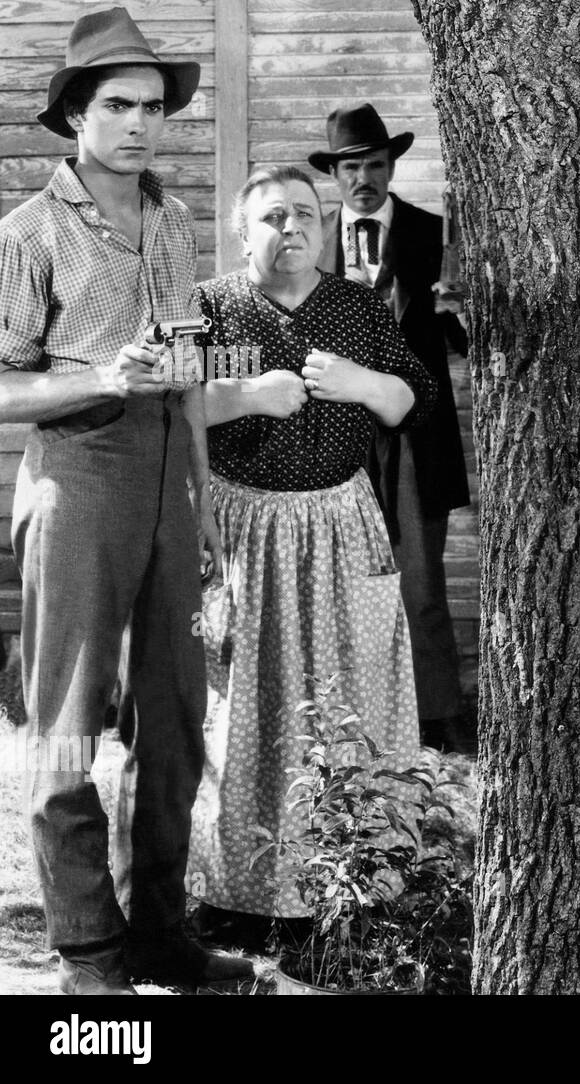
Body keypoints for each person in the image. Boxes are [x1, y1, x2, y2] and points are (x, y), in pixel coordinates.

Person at [0, 6, 252, 994]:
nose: (141, 123)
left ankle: (159, 930)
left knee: (178, 715)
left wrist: (204, 498)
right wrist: (104, 375)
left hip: (167, 474)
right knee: (68, 719)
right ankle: (87, 954)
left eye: (154, 107)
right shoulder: (27, 233)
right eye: (118, 105)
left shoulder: (174, 217)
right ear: (73, 115)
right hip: (76, 475)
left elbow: (186, 371)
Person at [184, 165, 437, 929]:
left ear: (324, 230)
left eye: (305, 215)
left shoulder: (358, 309)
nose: (290, 228)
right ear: (241, 231)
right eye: (271, 217)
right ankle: (234, 894)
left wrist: (361, 380)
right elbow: (175, 405)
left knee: (353, 694)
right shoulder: (212, 308)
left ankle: (360, 886)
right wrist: (246, 395)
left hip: (339, 523)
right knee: (242, 704)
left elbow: (411, 402)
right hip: (245, 522)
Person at [309, 103, 474, 752]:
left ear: (391, 166)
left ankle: (434, 725)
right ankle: (348, 727)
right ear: (335, 175)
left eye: (375, 165)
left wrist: (456, 313)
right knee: (338, 586)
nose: (363, 180)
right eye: (351, 168)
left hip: (413, 439)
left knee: (420, 587)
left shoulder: (433, 237)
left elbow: (463, 342)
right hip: (336, 442)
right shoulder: (312, 245)